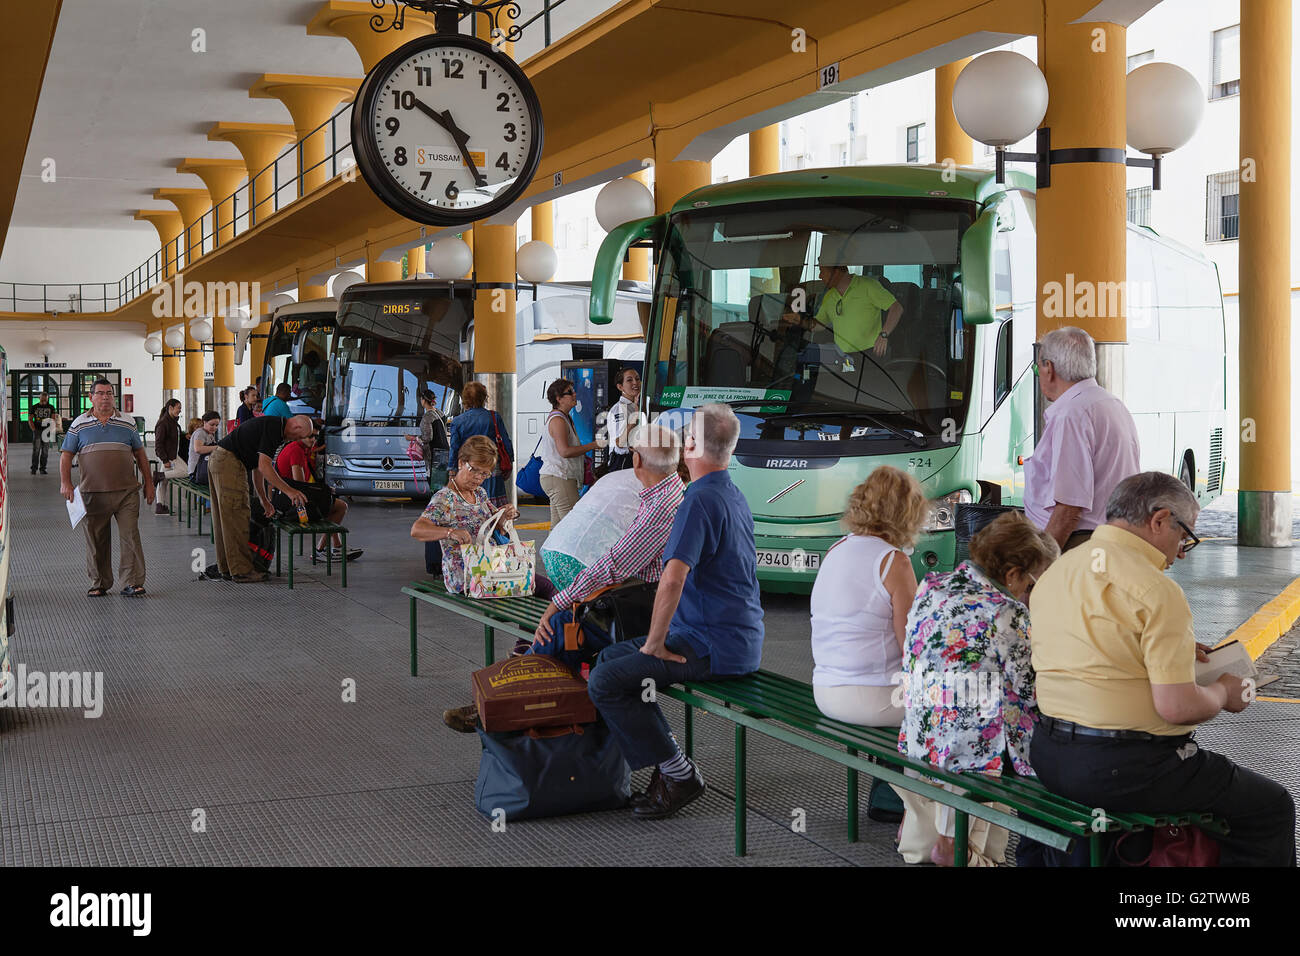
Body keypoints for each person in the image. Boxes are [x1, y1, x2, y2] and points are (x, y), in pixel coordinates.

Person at [1028, 471, 1296, 867]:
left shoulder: (1060, 569)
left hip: (1049, 755)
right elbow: (1177, 708)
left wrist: (1172, 651)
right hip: (1127, 769)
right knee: (1271, 806)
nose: (1181, 553)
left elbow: (1095, 646)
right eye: (1184, 536)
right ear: (1159, 519)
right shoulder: (1155, 589)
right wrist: (1224, 692)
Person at [442, 424, 685, 733]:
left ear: (637, 460)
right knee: (563, 631)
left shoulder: (659, 508)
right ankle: (514, 709)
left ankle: (498, 707)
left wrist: (559, 602)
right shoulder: (665, 493)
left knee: (560, 629)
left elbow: (615, 565)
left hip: (646, 611)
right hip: (644, 601)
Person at [586, 404, 763, 819]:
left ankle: (678, 773)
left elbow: (672, 579)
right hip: (735, 637)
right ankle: (669, 769)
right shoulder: (730, 493)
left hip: (710, 645)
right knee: (611, 658)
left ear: (691, 446)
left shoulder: (697, 501)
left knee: (606, 680)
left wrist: (654, 643)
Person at [895, 511, 1059, 867]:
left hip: (921, 735)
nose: (1031, 594)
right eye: (1033, 585)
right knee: (1057, 739)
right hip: (970, 751)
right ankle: (957, 849)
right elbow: (1033, 689)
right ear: (1013, 574)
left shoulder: (933, 587)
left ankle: (955, 840)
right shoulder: (1005, 611)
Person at [810, 465, 928, 727]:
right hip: (875, 698)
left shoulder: (835, 550)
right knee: (968, 697)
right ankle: (914, 769)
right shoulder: (893, 562)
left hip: (824, 692)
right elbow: (911, 646)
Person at [1024, 326, 1140, 552]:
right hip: (1109, 540)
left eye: (1037, 369)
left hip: (1078, 544)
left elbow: (1069, 506)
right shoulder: (1111, 404)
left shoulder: (1072, 414)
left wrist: (1041, 566)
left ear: (1049, 368)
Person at [59, 379, 155, 597]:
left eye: (109, 393)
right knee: (96, 540)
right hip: (92, 493)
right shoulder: (79, 424)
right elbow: (66, 456)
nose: (105, 397)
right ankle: (99, 582)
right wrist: (65, 482)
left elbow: (140, 454)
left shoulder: (127, 422)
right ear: (91, 397)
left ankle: (132, 582)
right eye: (100, 393)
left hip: (126, 493)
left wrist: (149, 484)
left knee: (130, 536)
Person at [207, 413, 311, 583]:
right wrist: (289, 491)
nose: (294, 440)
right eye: (298, 437)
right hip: (229, 463)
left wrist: (264, 499)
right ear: (297, 427)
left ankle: (226, 568)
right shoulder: (275, 429)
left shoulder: (273, 425)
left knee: (225, 518)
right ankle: (241, 571)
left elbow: (257, 467)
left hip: (220, 459)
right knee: (238, 517)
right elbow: (264, 466)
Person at [409, 435, 520, 594]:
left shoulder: (479, 493)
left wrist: (504, 516)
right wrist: (450, 532)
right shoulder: (445, 498)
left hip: (491, 565)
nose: (478, 477)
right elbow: (417, 530)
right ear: (461, 463)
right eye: (474, 469)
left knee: (534, 582)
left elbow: (497, 526)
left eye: (484, 474)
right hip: (465, 574)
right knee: (536, 585)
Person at [814, 244, 904, 372]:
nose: (819, 276)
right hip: (843, 358)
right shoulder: (829, 296)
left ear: (836, 271)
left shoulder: (868, 286)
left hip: (870, 356)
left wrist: (884, 335)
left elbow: (896, 308)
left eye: (822, 271)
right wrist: (801, 321)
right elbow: (819, 325)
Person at [273, 431, 360, 561]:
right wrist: (322, 491)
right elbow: (300, 485)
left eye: (316, 437)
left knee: (331, 503)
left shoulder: (298, 449)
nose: (314, 440)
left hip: (286, 502)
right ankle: (320, 549)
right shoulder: (296, 451)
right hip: (293, 506)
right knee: (341, 506)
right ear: (300, 435)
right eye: (310, 436)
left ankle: (336, 546)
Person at [539, 379, 602, 526]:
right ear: (559, 399)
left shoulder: (564, 417)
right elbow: (565, 451)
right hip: (559, 477)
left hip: (558, 477)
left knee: (558, 528)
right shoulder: (558, 420)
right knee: (573, 526)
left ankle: (548, 550)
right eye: (569, 393)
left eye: (573, 391)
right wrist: (592, 445)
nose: (575, 394)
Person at [448, 381, 514, 505]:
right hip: (491, 467)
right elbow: (506, 442)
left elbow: (454, 448)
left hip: (469, 468)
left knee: (470, 502)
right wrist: (509, 462)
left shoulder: (457, 421)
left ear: (465, 399)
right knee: (493, 506)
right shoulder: (493, 417)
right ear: (484, 397)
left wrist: (452, 471)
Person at [405, 389, 449, 483]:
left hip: (434, 455)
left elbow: (427, 438)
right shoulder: (440, 413)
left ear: (424, 400)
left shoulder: (427, 417)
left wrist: (411, 438)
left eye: (421, 399)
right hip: (445, 452)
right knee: (442, 482)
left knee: (434, 484)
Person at [152, 399, 187, 515]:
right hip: (169, 456)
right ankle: (159, 475)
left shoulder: (173, 421)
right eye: (178, 407)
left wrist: (185, 435)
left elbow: (175, 436)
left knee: (164, 482)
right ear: (170, 408)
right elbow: (158, 444)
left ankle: (159, 506)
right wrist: (165, 460)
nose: (180, 410)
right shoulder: (163, 423)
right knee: (186, 471)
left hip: (172, 454)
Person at [605, 368, 641, 472]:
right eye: (629, 380)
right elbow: (620, 442)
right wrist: (634, 418)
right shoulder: (620, 408)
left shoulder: (635, 406)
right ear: (620, 387)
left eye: (637, 379)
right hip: (623, 462)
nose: (635, 382)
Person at [28, 392, 57, 475]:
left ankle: (42, 468)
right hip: (37, 430)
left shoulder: (51, 407)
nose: (44, 399)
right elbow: (30, 419)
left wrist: (51, 430)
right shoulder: (34, 407)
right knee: (36, 450)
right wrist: (34, 429)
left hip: (46, 431)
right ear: (39, 398)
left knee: (45, 451)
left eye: (45, 398)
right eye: (42, 398)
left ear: (47, 398)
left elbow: (53, 419)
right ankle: (34, 468)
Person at [188, 411, 220, 483]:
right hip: (196, 472)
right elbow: (198, 449)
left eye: (217, 425)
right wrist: (217, 447)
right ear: (204, 422)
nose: (214, 427)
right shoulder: (200, 432)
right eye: (212, 424)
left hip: (203, 469)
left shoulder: (210, 434)